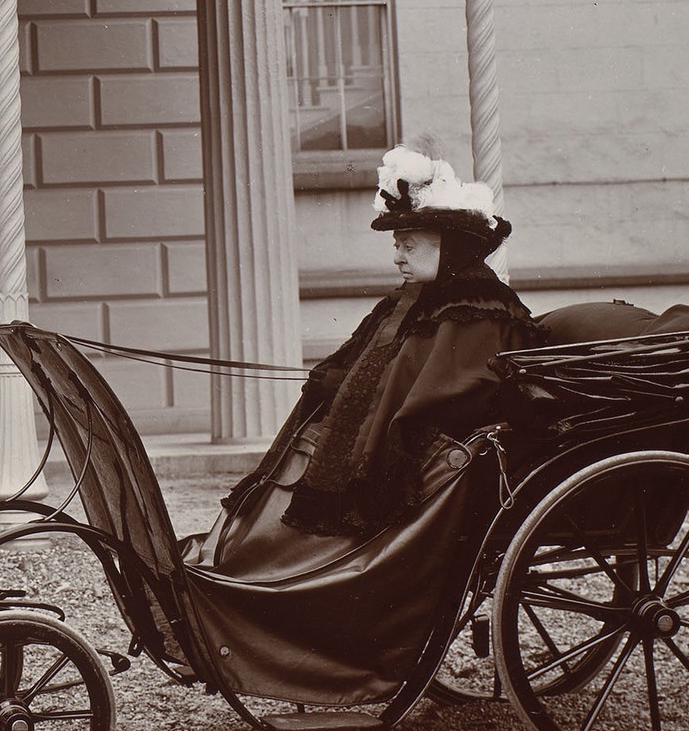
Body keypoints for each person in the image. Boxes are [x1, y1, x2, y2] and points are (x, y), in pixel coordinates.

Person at [213, 145, 542, 552]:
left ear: (449, 247)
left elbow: (437, 393)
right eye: (397, 246)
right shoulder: (417, 298)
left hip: (432, 455)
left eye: (409, 246)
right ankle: (261, 551)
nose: (398, 258)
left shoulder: (479, 307)